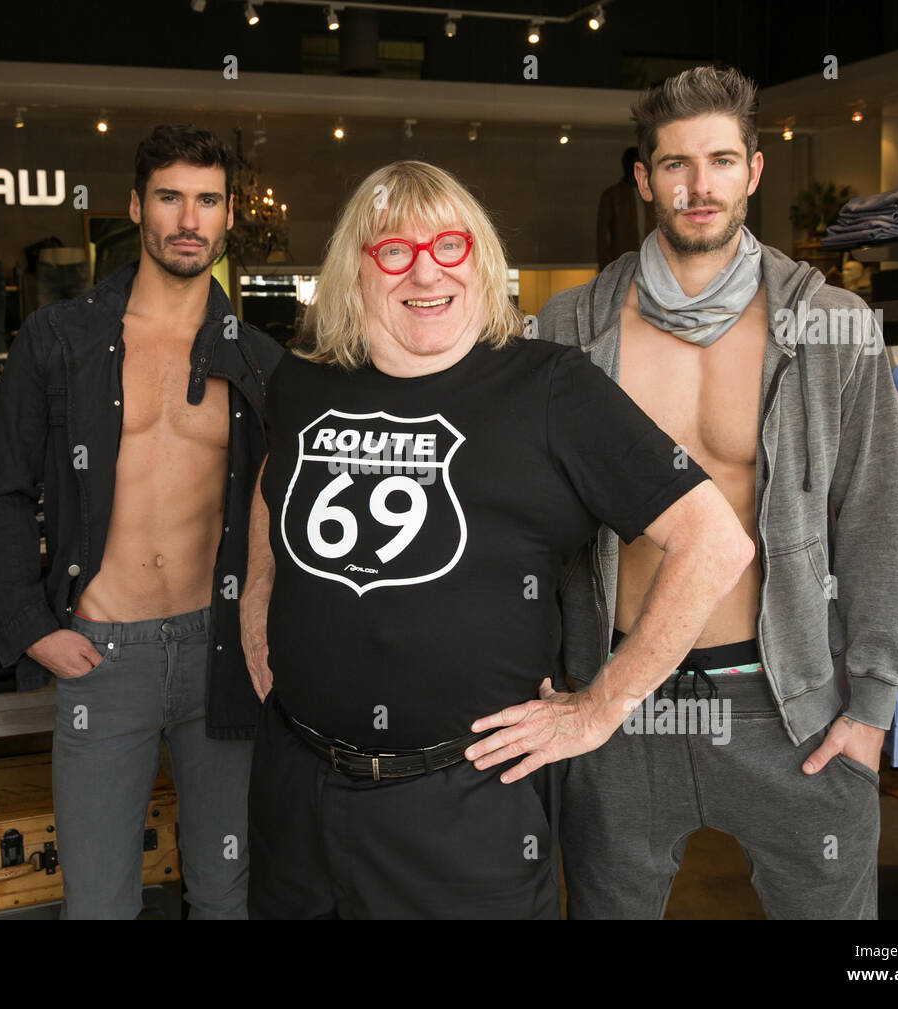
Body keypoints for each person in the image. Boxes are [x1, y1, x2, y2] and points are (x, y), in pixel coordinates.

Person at [239, 159, 755, 919]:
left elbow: (714, 541)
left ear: (480, 261)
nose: (426, 272)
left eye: (449, 246)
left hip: (465, 813)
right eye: (394, 251)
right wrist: (258, 597)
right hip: (295, 789)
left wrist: (600, 706)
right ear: (357, 268)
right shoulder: (306, 381)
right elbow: (271, 479)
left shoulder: (551, 388)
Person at [538, 66, 898, 919]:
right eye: (675, 165)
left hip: (791, 709)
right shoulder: (571, 330)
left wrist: (873, 709)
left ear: (753, 170)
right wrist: (554, 676)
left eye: (719, 160)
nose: (698, 185)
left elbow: (878, 521)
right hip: (621, 698)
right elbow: (530, 520)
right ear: (643, 180)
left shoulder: (833, 328)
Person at [0, 125, 283, 919]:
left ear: (227, 215)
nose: (189, 219)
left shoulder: (257, 358)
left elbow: (281, 509)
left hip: (220, 655)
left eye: (208, 200)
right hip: (104, 656)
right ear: (136, 207)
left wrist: (267, 625)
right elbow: (0, 495)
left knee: (225, 891)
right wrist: (32, 624)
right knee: (100, 900)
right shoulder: (58, 340)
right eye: (171, 197)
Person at [595, 146, 650, 270]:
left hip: (649, 261)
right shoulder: (612, 195)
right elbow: (602, 236)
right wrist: (605, 268)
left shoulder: (650, 194)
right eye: (631, 163)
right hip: (621, 264)